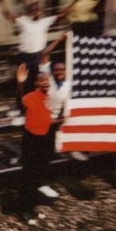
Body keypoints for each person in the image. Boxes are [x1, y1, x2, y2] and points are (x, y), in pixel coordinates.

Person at [0, 0, 81, 92]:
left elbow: (63, 15)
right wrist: (1, 4)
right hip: (25, 56)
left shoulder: (46, 21)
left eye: (37, 9)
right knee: (22, 81)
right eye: (32, 10)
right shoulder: (23, 20)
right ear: (29, 12)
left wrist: (74, 2)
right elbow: (8, 16)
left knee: (39, 81)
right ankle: (21, 101)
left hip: (38, 56)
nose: (35, 12)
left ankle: (37, 101)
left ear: (40, 11)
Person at [15, 64, 56, 225]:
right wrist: (20, 83)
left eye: (47, 80)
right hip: (31, 141)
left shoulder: (50, 98)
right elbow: (20, 101)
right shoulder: (31, 96)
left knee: (37, 177)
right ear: (36, 84)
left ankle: (32, 207)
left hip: (43, 140)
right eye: (42, 80)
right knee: (29, 177)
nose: (45, 82)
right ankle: (24, 211)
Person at [38, 32, 87, 162]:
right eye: (56, 70)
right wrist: (60, 39)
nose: (59, 72)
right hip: (45, 119)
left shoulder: (68, 84)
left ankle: (73, 148)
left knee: (58, 147)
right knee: (45, 150)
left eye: (61, 70)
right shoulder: (48, 78)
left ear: (66, 71)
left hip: (58, 120)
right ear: (52, 72)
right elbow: (44, 53)